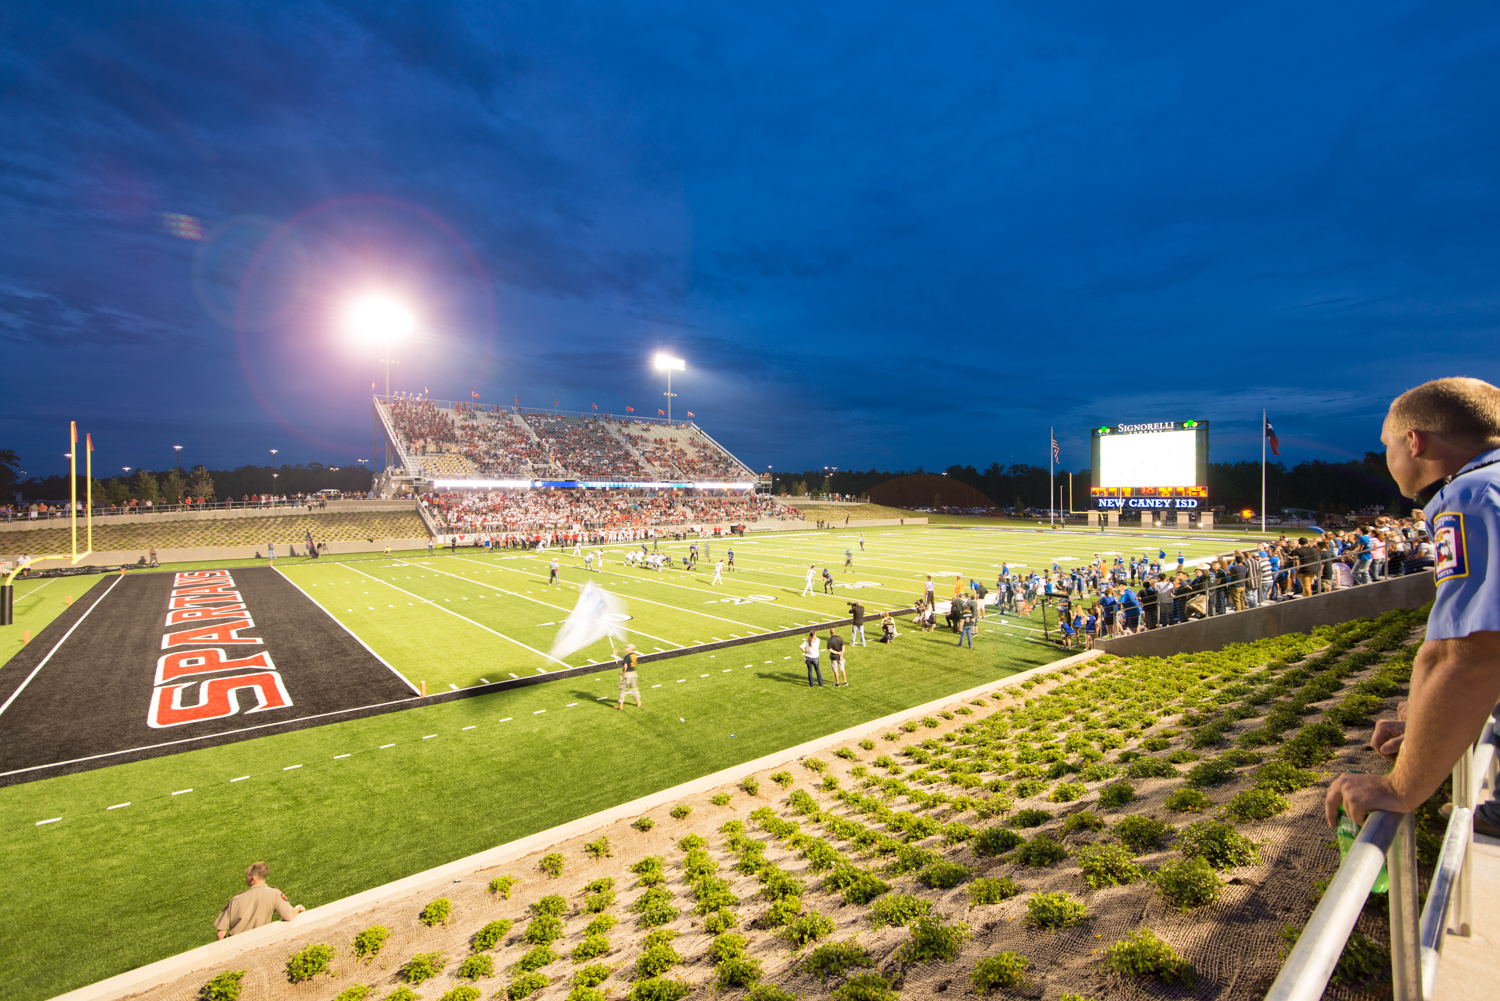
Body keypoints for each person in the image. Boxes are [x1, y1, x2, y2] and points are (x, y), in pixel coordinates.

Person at [1326, 377, 1500, 834]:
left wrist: (1404, 785)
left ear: (1413, 441)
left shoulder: (1472, 495)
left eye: (1387, 445)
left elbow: (1468, 652)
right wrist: (1428, 724)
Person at [213, 862, 304, 939]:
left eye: (247, 876)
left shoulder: (235, 900)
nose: (246, 878)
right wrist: (298, 907)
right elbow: (289, 917)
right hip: (261, 940)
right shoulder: (275, 894)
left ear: (253, 879)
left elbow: (220, 933)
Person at [616, 644, 641, 709]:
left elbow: (625, 666)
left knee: (622, 689)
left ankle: (620, 705)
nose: (625, 648)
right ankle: (638, 702)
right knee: (634, 688)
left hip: (627, 675)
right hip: (634, 674)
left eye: (627, 647)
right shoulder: (634, 655)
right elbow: (627, 658)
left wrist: (623, 673)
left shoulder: (626, 656)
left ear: (631, 649)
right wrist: (618, 653)